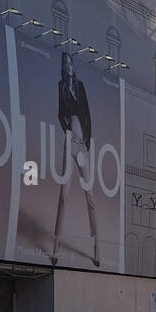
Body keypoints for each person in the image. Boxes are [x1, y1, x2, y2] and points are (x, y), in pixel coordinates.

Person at [50, 51, 100, 267]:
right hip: (69, 143)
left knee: (90, 196)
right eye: (66, 64)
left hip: (82, 145)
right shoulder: (61, 86)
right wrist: (67, 129)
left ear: (73, 67)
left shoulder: (79, 86)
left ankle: (98, 246)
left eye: (71, 64)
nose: (69, 67)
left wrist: (87, 142)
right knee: (64, 194)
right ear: (64, 67)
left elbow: (87, 114)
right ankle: (55, 247)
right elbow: (60, 113)